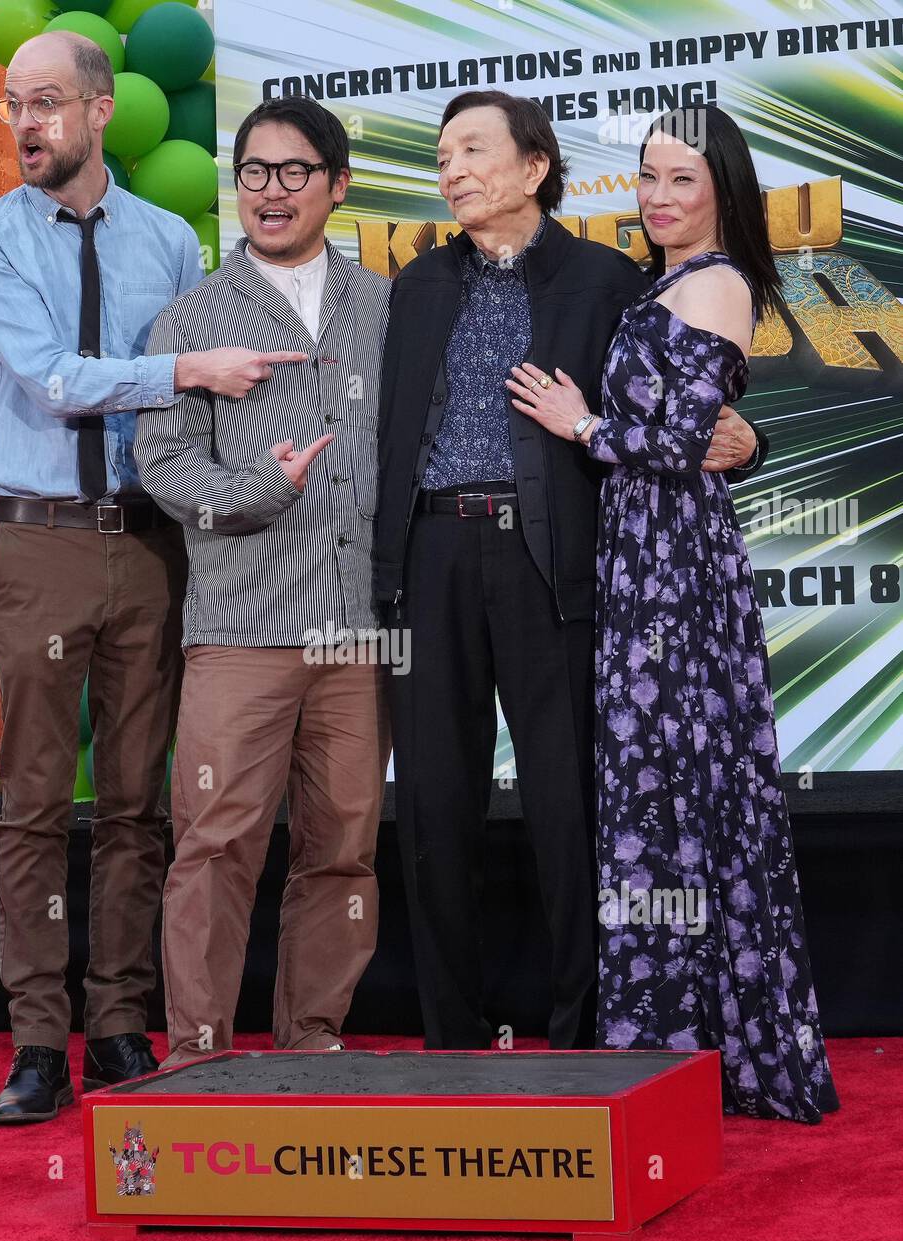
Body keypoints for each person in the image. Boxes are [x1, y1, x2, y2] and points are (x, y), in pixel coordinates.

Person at [375, 90, 765, 1052]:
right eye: (441, 157)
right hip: (429, 555)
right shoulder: (417, 286)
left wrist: (746, 442)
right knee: (431, 800)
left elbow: (675, 399)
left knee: (570, 800)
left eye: (472, 150)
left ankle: (584, 1035)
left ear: (535, 166)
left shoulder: (604, 280)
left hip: (554, 560)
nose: (452, 171)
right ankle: (451, 1039)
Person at [0, 34, 292, 1124]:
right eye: (14, 105)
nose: (26, 125)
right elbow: (55, 381)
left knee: (142, 801)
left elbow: (189, 416)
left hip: (153, 541)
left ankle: (117, 1019)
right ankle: (37, 1041)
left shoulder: (167, 243)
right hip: (41, 541)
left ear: (100, 111)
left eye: (46, 103)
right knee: (35, 802)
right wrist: (183, 367)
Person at [509, 106, 839, 1122]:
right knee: (664, 785)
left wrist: (579, 423)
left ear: (720, 191)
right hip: (640, 553)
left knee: (675, 777)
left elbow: (678, 438)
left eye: (680, 180)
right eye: (646, 177)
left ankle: (692, 1039)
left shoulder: (718, 282)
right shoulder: (665, 281)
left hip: (674, 566)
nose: (656, 197)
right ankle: (681, 1036)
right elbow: (696, 434)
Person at [136, 97, 392, 1063]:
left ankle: (311, 1039)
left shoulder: (383, 304)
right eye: (252, 172)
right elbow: (164, 469)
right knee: (212, 848)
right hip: (241, 630)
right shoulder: (191, 319)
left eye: (292, 172)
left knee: (344, 849)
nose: (270, 191)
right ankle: (197, 1055)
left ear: (336, 185)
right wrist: (259, 487)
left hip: (357, 632)